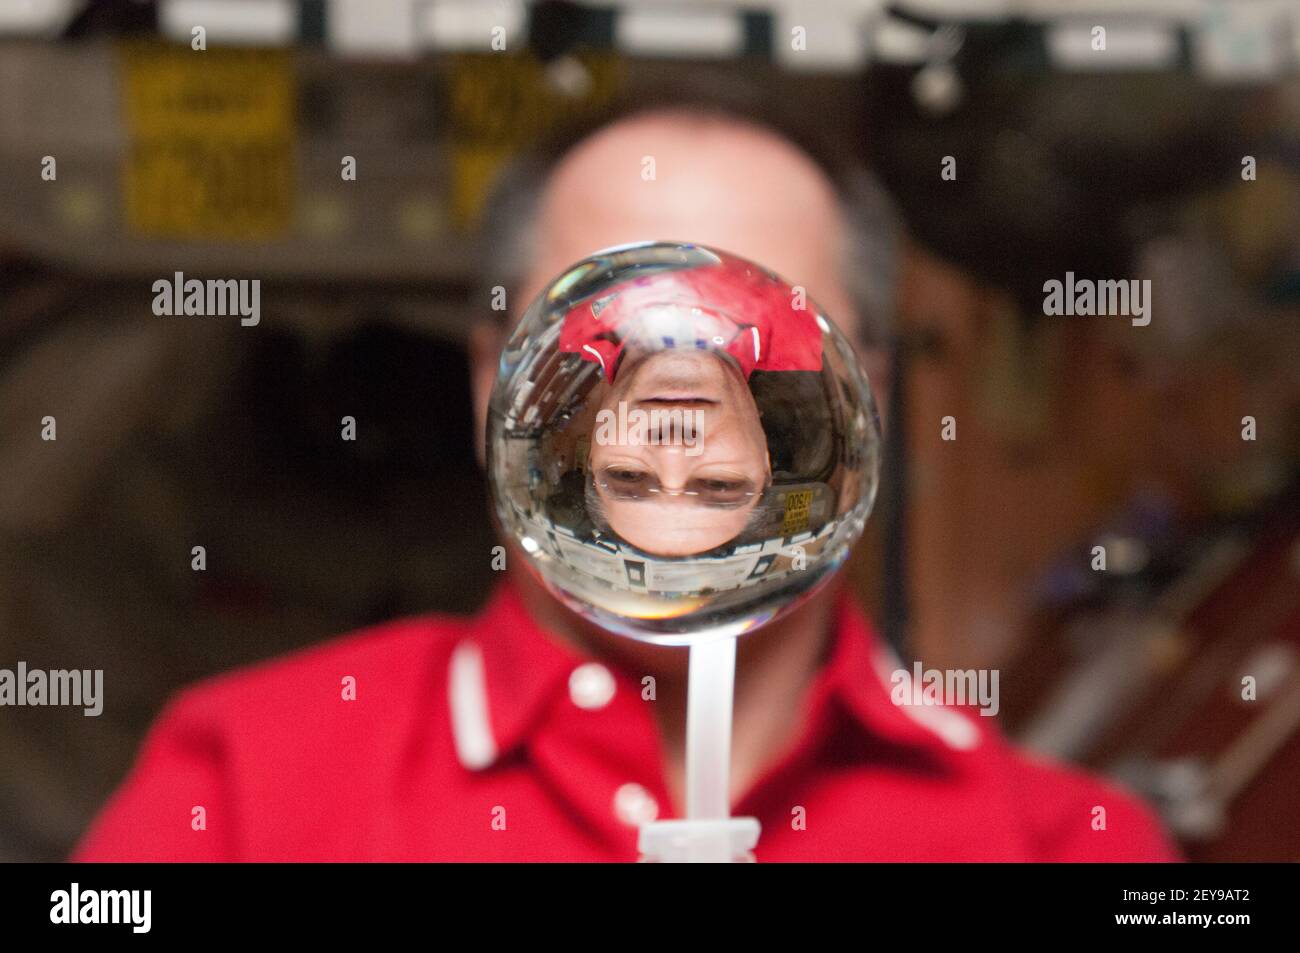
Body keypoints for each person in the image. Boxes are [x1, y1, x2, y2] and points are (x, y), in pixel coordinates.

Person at [73, 85, 1178, 861]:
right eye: (600, 339)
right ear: (490, 386)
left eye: (760, 343)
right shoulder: (244, 786)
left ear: (865, 396)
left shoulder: (1065, 847)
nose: (675, 405)